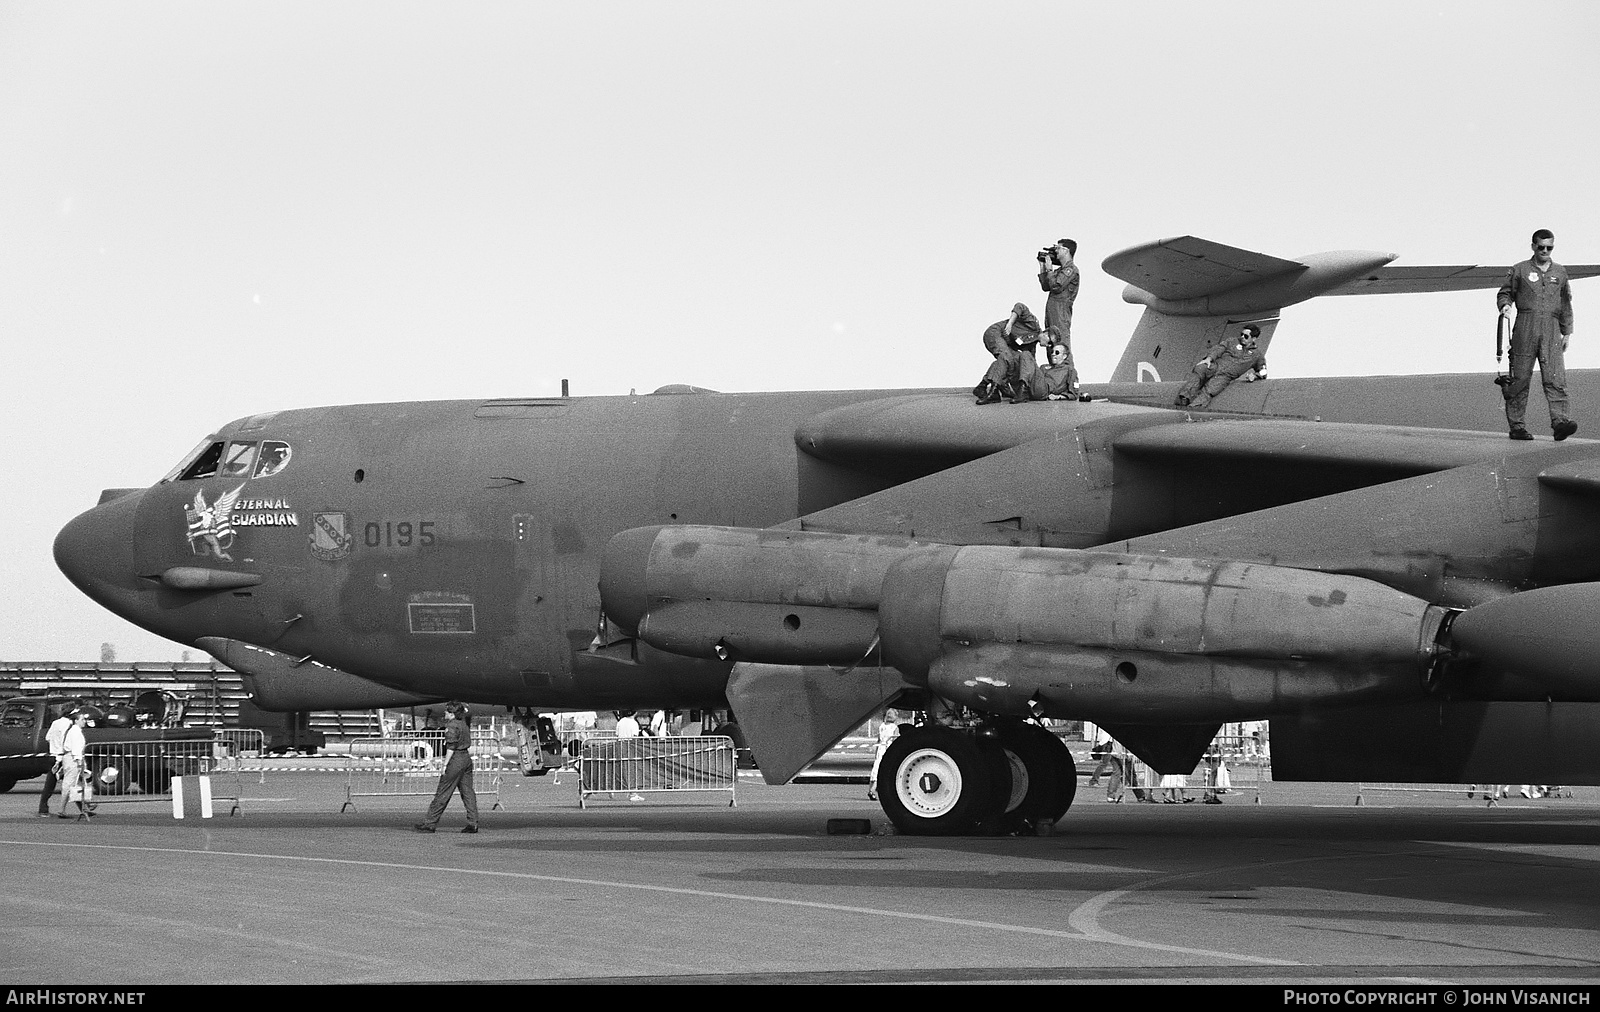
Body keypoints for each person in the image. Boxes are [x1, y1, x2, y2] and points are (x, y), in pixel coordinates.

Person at [1498, 229, 1577, 441]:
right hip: (1525, 325)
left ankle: (1560, 422)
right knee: (1520, 378)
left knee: (1555, 377)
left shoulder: (1560, 272)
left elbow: (1565, 302)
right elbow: (1505, 292)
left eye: (1549, 247)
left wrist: (1566, 331)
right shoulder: (1520, 270)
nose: (1544, 251)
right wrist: (1505, 306)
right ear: (1533, 246)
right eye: (1540, 247)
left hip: (1551, 328)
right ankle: (1517, 426)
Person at [414, 701, 478, 833]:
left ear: (452, 713)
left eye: (447, 711)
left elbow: (451, 747)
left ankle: (430, 823)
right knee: (468, 793)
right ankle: (473, 823)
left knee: (443, 792)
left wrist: (445, 764)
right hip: (466, 758)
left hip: (456, 759)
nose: (445, 713)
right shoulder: (463, 723)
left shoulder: (452, 726)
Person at [1174, 324, 1267, 409]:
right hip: (1216, 366)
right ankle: (1184, 398)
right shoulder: (1232, 341)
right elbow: (1218, 349)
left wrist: (1255, 376)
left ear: (1253, 339)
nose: (1242, 337)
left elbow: (1263, 371)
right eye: (1241, 334)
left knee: (1210, 389)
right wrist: (1209, 358)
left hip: (1225, 376)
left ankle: (1193, 408)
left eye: (1246, 336)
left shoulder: (1256, 355)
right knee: (1200, 369)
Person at [973, 303, 1043, 404]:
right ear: (1046, 333)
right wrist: (1010, 324)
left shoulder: (1032, 345)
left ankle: (983, 386)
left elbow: (1030, 364)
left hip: (1005, 343)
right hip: (996, 333)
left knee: (1010, 361)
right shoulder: (1034, 325)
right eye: (1050, 342)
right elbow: (1020, 306)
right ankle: (996, 390)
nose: (1048, 346)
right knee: (1006, 357)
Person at [1037, 239, 1081, 392]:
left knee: (1062, 347)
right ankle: (1057, 383)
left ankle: (1071, 386)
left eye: (1058, 248)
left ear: (1066, 251)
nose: (1056, 251)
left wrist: (1049, 270)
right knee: (1051, 346)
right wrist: (1043, 266)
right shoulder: (1060, 270)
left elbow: (1056, 286)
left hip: (1060, 311)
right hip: (1052, 311)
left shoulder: (1071, 270)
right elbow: (1045, 286)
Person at [57, 709, 93, 819]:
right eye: (82, 719)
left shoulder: (73, 731)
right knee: (69, 784)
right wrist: (79, 761)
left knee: (78, 783)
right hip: (73, 759)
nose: (84, 721)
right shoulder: (75, 732)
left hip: (71, 758)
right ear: (76, 721)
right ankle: (62, 809)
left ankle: (85, 807)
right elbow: (76, 749)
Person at [38, 705, 71, 818]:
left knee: (50, 784)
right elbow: (65, 741)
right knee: (73, 782)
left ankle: (43, 808)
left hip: (53, 755)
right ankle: (84, 806)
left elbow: (48, 737)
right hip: (62, 757)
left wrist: (54, 745)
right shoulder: (69, 725)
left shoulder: (55, 723)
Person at [866, 710, 902, 801]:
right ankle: (873, 790)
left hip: (880, 749)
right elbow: (896, 740)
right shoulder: (895, 728)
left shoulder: (882, 726)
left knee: (876, 769)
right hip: (887, 748)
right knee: (884, 770)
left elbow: (878, 740)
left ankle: (872, 788)